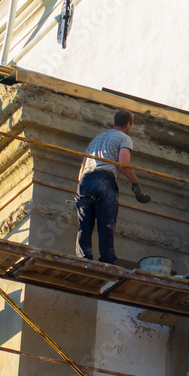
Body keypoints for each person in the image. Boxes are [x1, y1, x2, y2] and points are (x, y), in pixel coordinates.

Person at [75, 109, 150, 264]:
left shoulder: (95, 140)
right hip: (104, 179)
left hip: (85, 182)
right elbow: (123, 164)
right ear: (128, 124)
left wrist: (79, 191)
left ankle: (83, 259)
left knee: (84, 225)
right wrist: (136, 184)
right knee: (106, 223)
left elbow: (82, 170)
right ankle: (107, 260)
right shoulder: (124, 138)